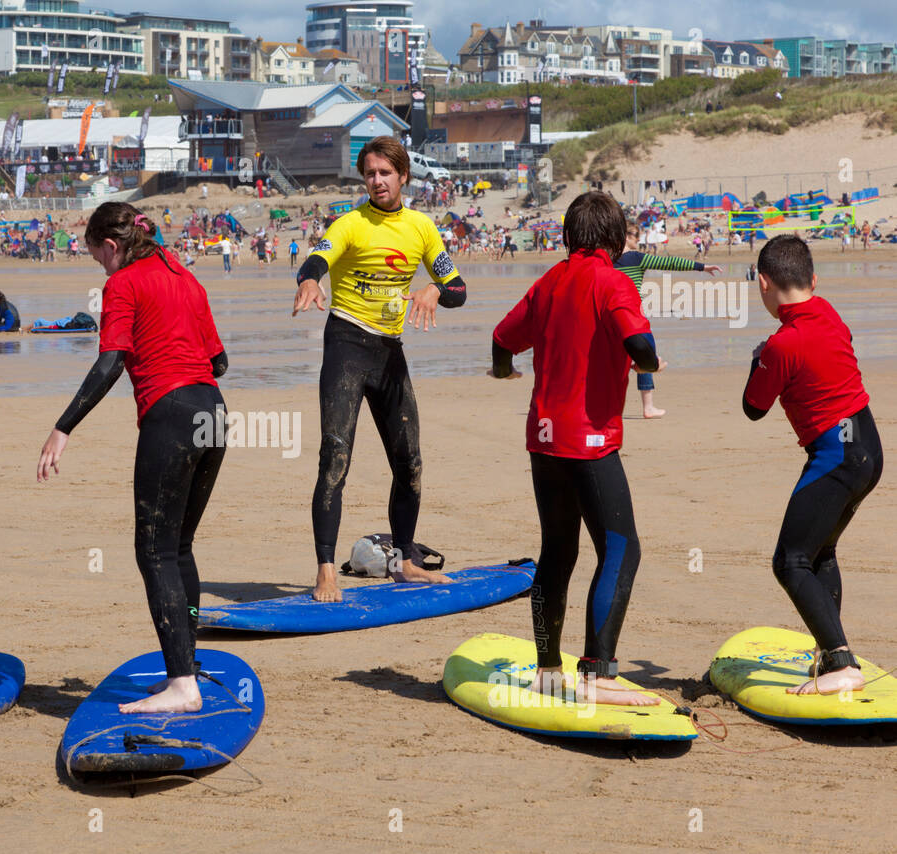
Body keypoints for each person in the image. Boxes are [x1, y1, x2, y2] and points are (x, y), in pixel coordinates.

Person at [37, 203, 229, 714]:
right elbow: (220, 361)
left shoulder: (123, 283)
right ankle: (187, 668)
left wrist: (63, 427)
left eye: (97, 256)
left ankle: (182, 686)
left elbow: (109, 362)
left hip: (171, 415)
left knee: (156, 553)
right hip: (213, 412)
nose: (100, 266)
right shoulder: (185, 276)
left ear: (112, 246)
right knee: (180, 546)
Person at [490, 190, 664, 706]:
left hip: (542, 442)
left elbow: (502, 339)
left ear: (568, 237)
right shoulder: (612, 281)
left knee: (558, 552)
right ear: (615, 240)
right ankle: (597, 672)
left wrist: (505, 371)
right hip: (589, 443)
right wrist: (649, 366)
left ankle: (548, 669)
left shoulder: (548, 282)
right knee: (621, 548)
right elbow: (640, 344)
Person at [292, 136, 468, 603]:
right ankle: (326, 570)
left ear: (403, 176)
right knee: (335, 458)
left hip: (389, 352)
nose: (376, 180)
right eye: (369, 173)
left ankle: (406, 561)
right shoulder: (350, 223)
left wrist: (434, 288)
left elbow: (459, 289)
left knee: (409, 462)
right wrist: (309, 279)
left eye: (385, 173)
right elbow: (316, 259)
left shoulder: (422, 228)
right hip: (346, 344)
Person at [742, 236, 881, 696]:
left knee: (790, 561)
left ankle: (841, 663)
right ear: (813, 280)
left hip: (837, 456)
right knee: (820, 552)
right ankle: (830, 656)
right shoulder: (829, 313)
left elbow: (753, 408)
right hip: (867, 447)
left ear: (763, 283)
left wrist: (758, 359)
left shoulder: (783, 344)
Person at [617, 221, 723, 418]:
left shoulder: (605, 260)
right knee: (647, 355)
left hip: (611, 320)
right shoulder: (636, 258)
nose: (638, 238)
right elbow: (670, 263)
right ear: (624, 236)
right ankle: (648, 401)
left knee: (615, 364)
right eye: (634, 234)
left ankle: (612, 406)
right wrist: (702, 267)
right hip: (633, 318)